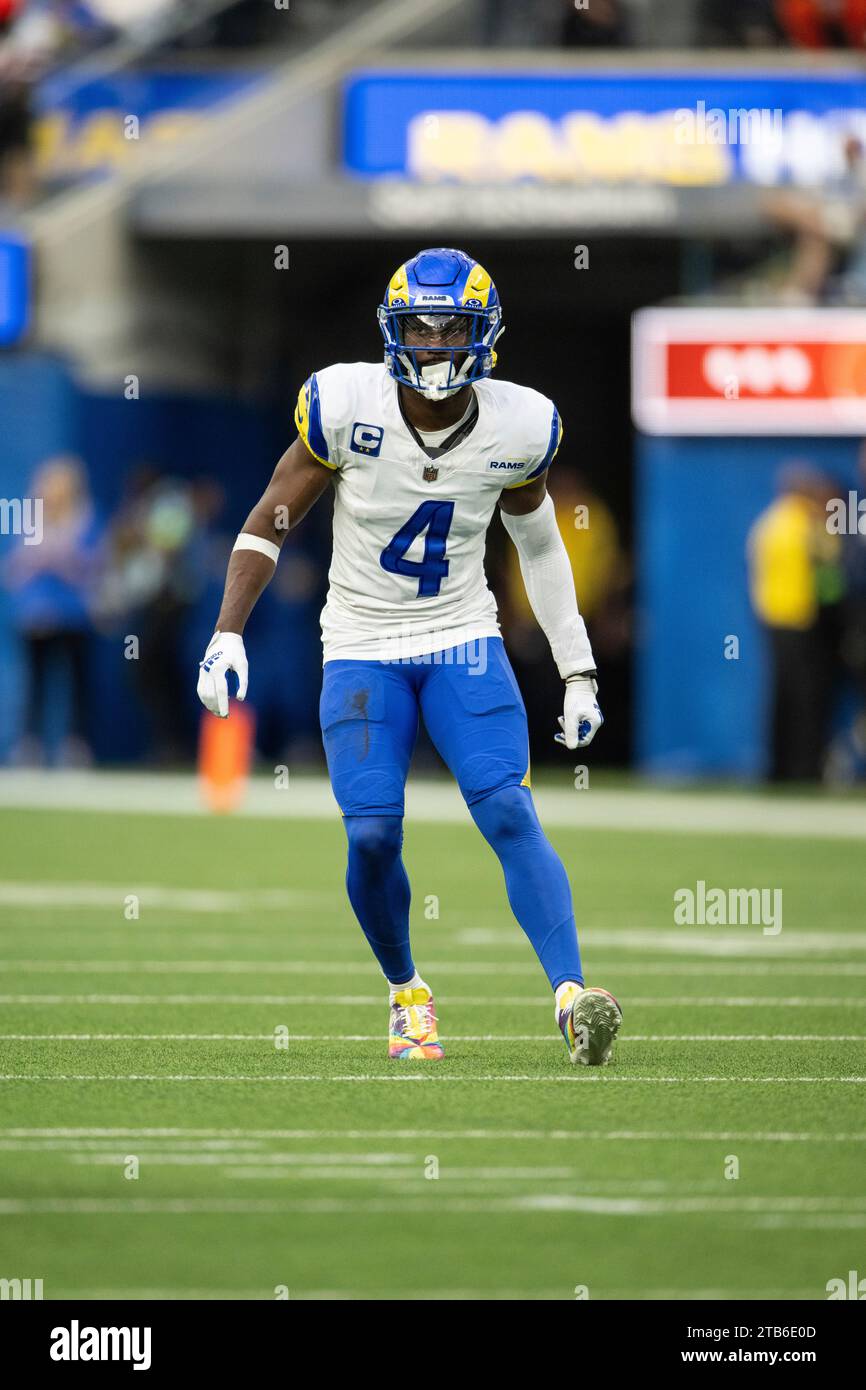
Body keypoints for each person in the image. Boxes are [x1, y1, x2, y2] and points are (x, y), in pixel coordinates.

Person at [196, 247, 622, 1067]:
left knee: (507, 809)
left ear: (483, 335)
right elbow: (270, 518)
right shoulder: (344, 404)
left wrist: (578, 670)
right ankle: (407, 993)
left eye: (451, 328)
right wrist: (227, 632)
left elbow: (540, 549)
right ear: (393, 332)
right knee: (371, 836)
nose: (433, 344)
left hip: (463, 637)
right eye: (419, 328)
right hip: (362, 643)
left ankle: (572, 998)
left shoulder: (519, 425)